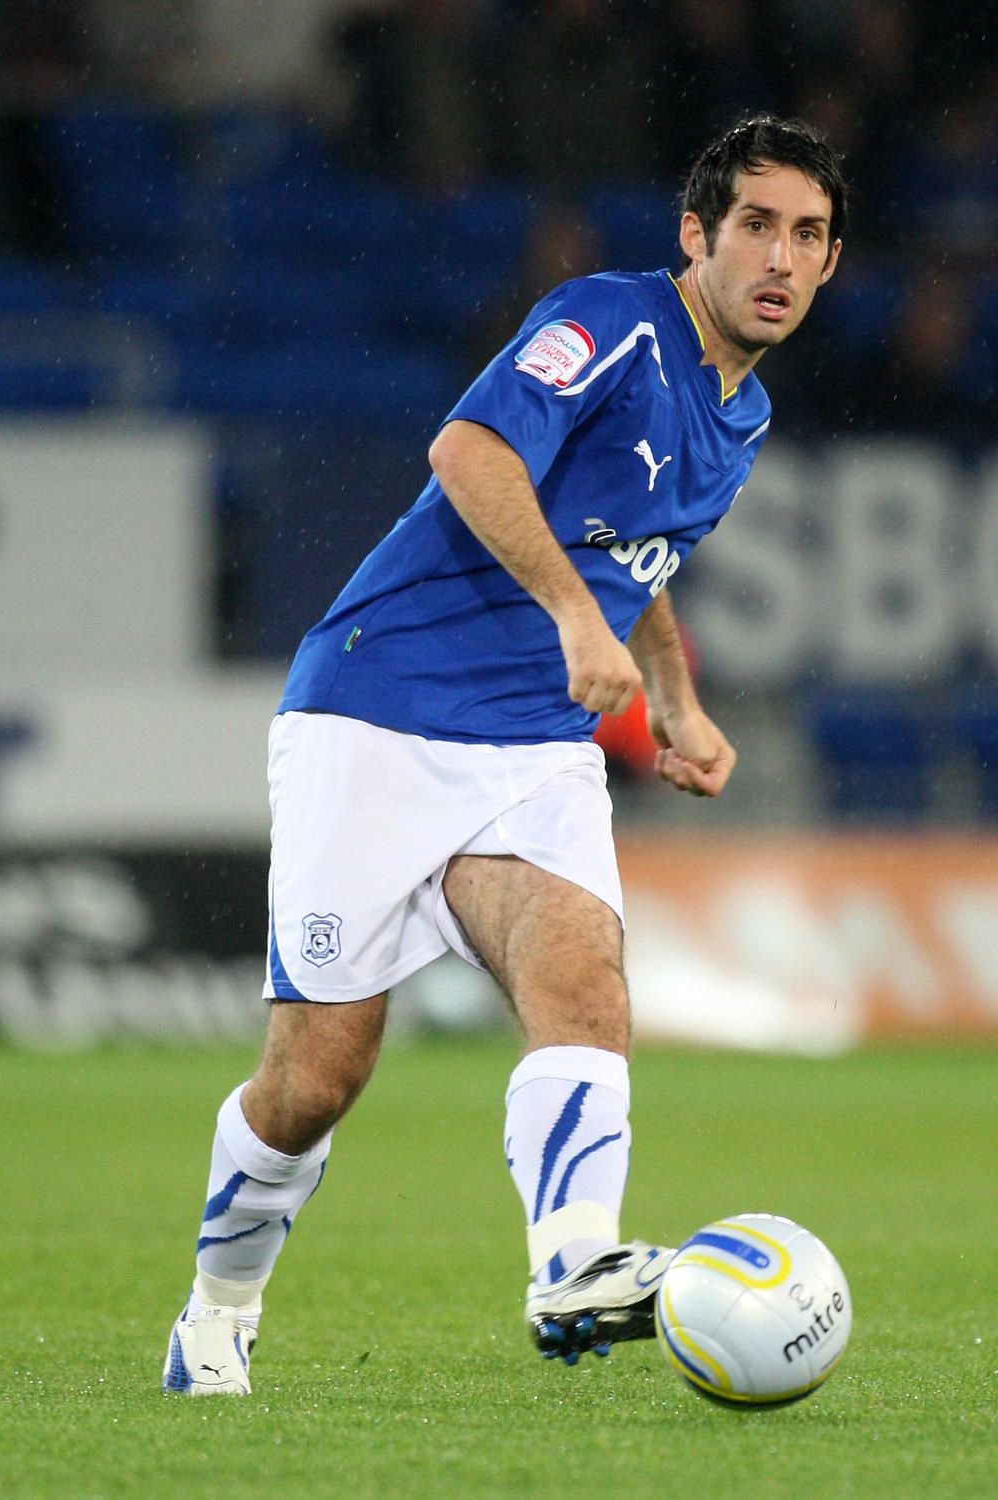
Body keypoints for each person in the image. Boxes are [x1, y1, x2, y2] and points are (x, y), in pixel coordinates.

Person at [163, 113, 845, 1395]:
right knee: (314, 1080)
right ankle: (217, 1306)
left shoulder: (740, 410)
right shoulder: (610, 320)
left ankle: (572, 1265)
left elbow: (631, 553)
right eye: (755, 224)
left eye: (807, 235)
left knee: (584, 984)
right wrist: (573, 620)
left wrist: (673, 696)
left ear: (828, 262)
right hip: (376, 710)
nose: (780, 256)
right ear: (697, 236)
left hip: (532, 745)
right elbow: (469, 451)